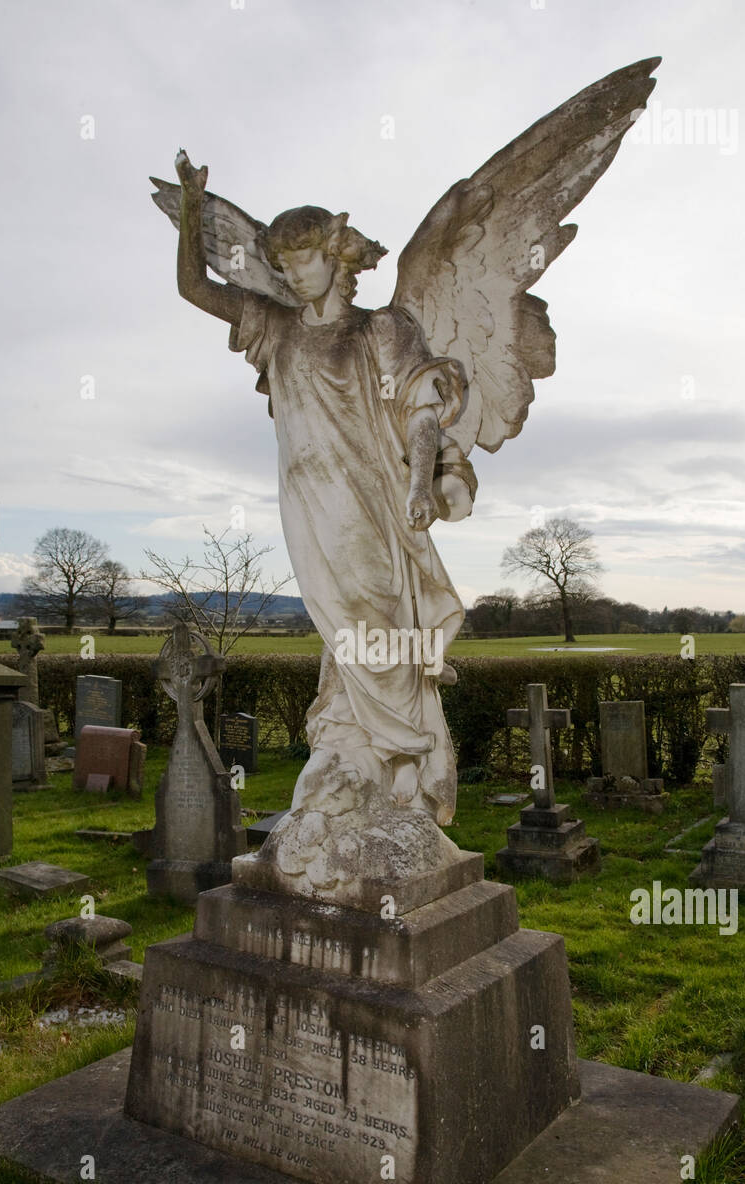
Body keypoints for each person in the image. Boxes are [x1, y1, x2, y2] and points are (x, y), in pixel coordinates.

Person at [173, 151, 475, 826]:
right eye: (281, 264)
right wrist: (193, 210)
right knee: (342, 632)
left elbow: (420, 408)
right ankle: (350, 746)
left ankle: (401, 759)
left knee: (378, 619)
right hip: (307, 503)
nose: (291, 273)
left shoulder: (379, 329)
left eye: (302, 258)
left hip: (369, 503)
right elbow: (194, 288)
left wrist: (423, 480)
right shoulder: (276, 328)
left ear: (334, 254)